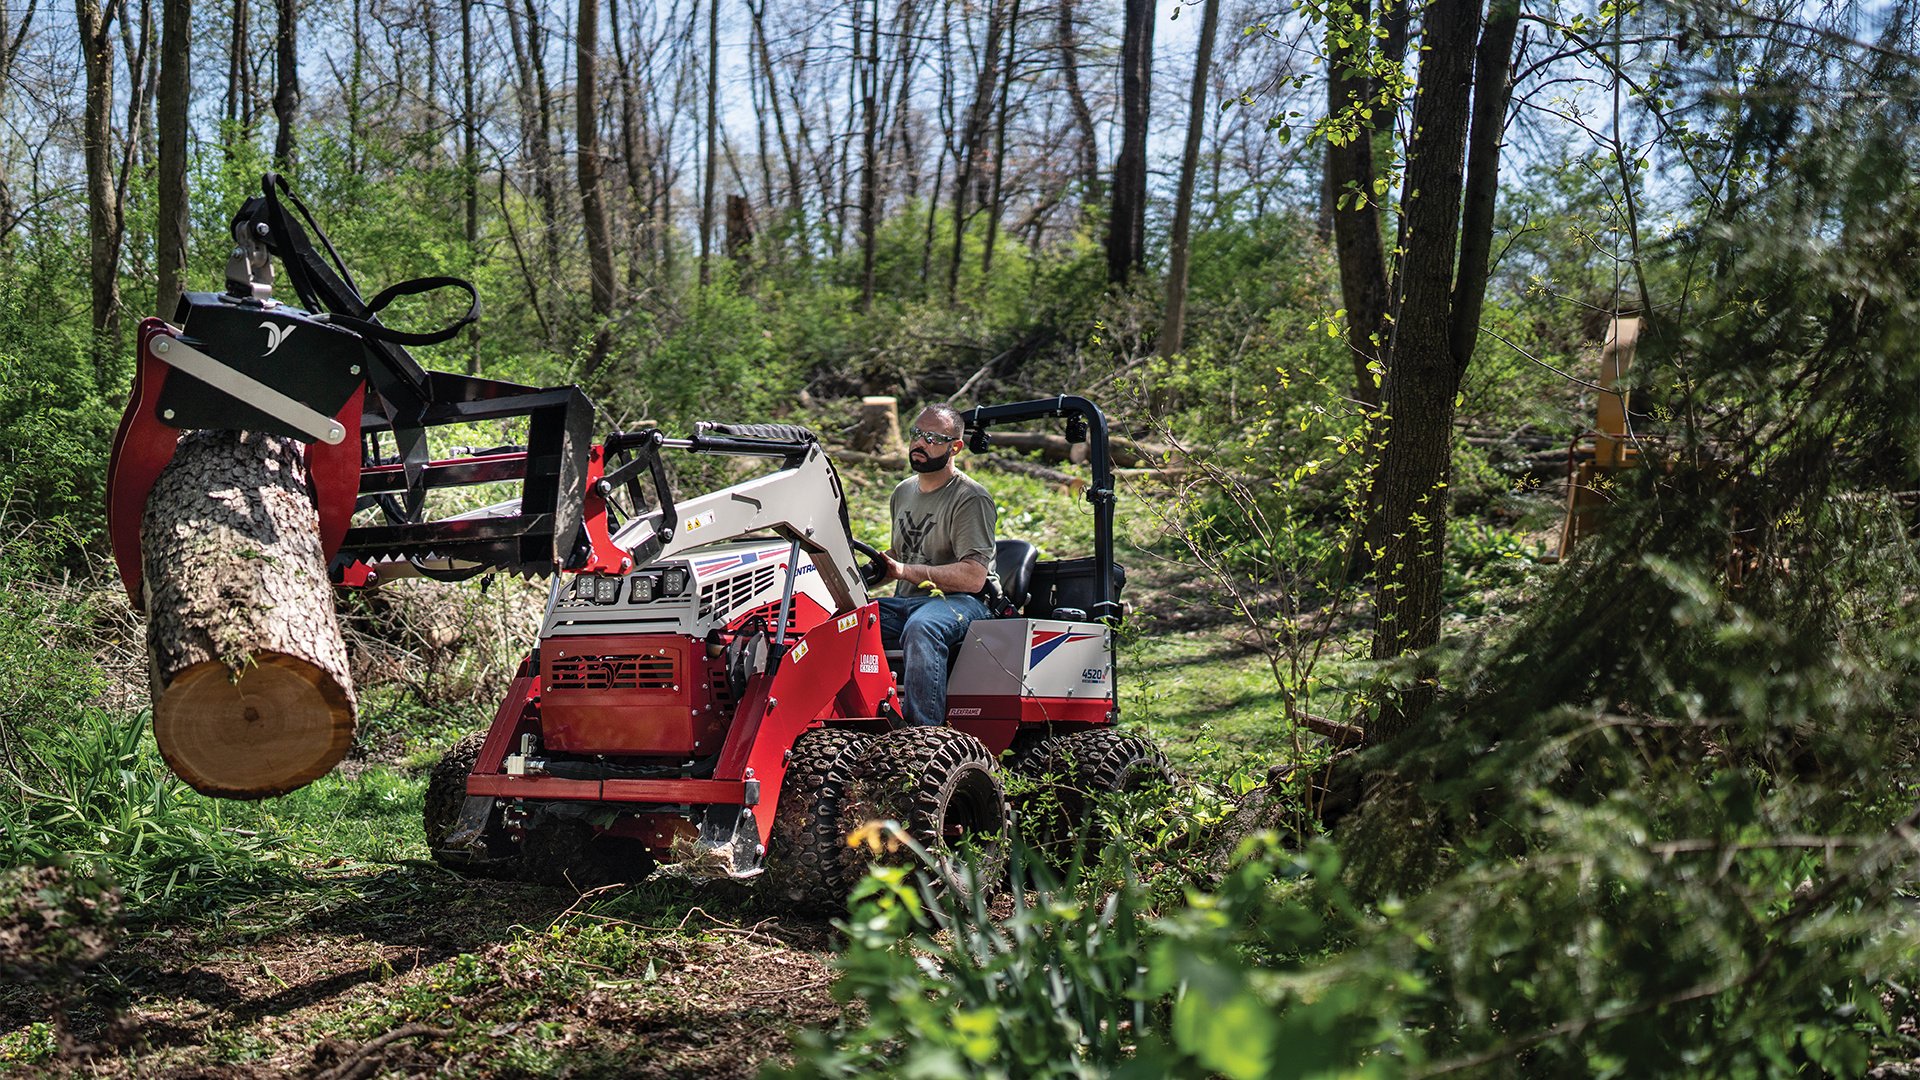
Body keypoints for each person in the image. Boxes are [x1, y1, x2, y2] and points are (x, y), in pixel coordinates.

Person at [877, 404, 998, 726]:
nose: (919, 443)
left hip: (961, 602)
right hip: (906, 601)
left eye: (932, 438)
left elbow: (973, 577)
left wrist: (904, 571)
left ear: (955, 447)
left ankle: (924, 735)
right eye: (916, 434)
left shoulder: (971, 498)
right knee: (847, 622)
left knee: (923, 627)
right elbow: (904, 552)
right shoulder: (903, 491)